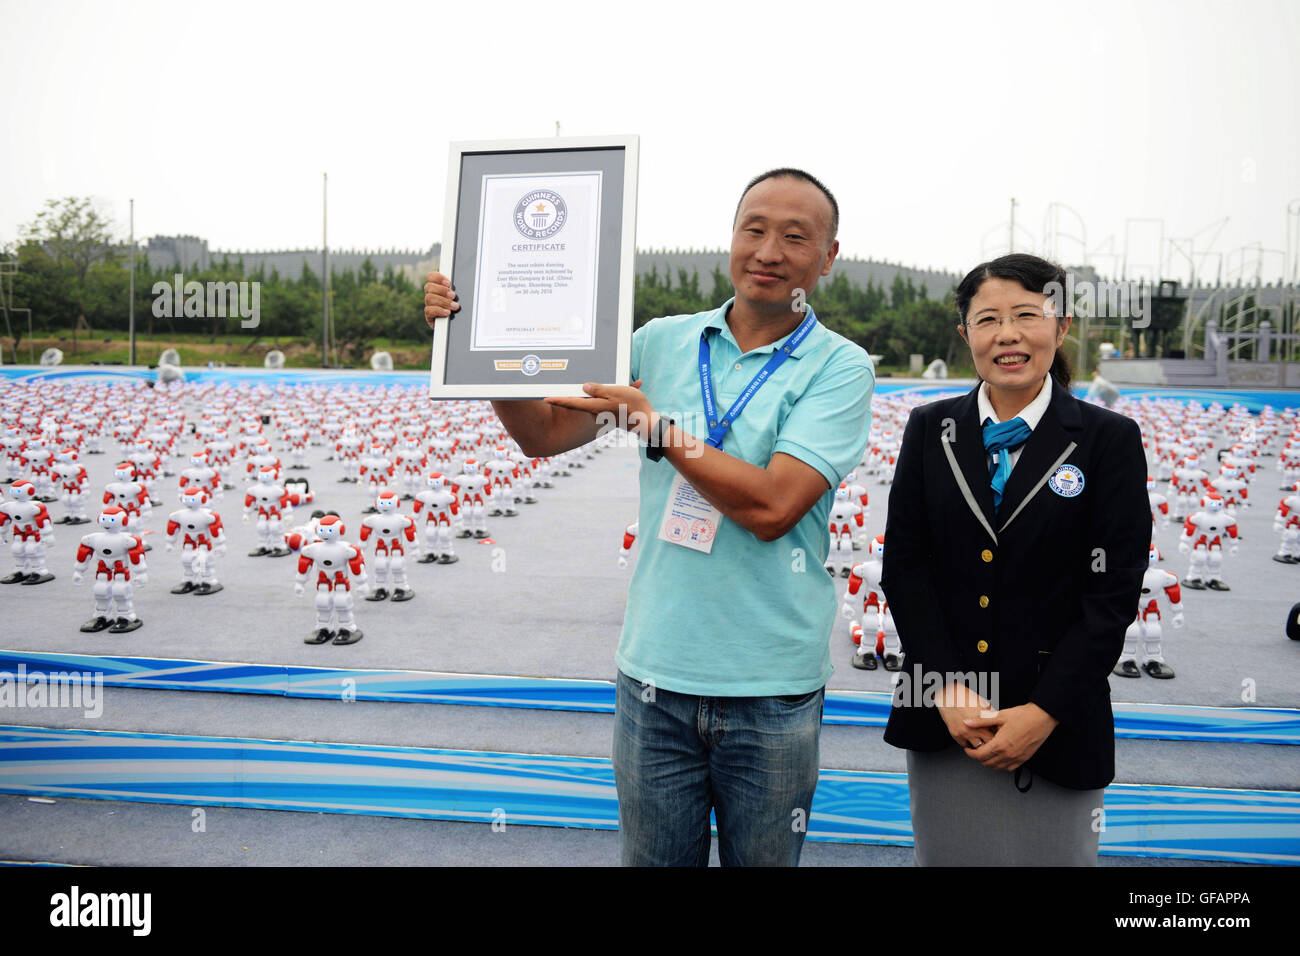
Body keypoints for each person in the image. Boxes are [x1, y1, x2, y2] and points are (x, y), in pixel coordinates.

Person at [424, 169, 874, 865]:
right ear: (730, 237)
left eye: (795, 236)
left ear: (829, 256)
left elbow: (773, 506)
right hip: (654, 678)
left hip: (771, 689)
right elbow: (543, 434)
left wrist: (656, 427)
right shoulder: (661, 342)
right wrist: (477, 339)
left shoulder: (839, 367)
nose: (769, 250)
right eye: (753, 228)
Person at [880, 253, 1149, 866]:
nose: (1008, 334)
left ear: (1060, 326)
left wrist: (1046, 710)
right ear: (965, 334)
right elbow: (906, 567)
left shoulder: (1108, 440)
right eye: (988, 319)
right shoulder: (931, 429)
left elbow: (1111, 597)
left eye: (1027, 314)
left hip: (1057, 722)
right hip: (947, 720)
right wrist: (944, 685)